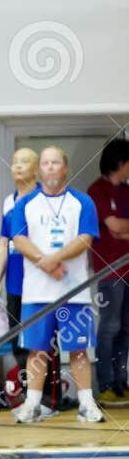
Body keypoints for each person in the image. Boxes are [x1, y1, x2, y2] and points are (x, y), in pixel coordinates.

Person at [10, 145, 104, 426]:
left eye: (55, 163)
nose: (50, 167)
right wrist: (45, 261)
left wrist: (56, 258)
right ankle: (32, 404)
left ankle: (86, 404)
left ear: (64, 169)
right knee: (37, 350)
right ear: (39, 169)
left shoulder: (82, 202)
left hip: (74, 291)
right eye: (46, 163)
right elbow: (19, 239)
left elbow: (86, 237)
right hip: (37, 292)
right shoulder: (24, 204)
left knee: (78, 348)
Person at [87, 139, 129, 404]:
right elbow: (113, 226)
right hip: (110, 269)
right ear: (120, 162)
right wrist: (120, 229)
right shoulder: (97, 190)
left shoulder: (127, 191)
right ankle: (105, 383)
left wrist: (123, 230)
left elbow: (120, 228)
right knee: (110, 326)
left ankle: (121, 381)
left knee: (126, 327)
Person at [0, 146, 39, 343]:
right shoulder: (8, 202)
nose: (18, 166)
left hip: (40, 282)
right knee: (16, 338)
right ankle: (23, 374)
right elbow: (3, 243)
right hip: (14, 281)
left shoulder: (43, 199)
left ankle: (49, 376)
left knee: (42, 338)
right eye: (15, 161)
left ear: (37, 170)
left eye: (25, 161)